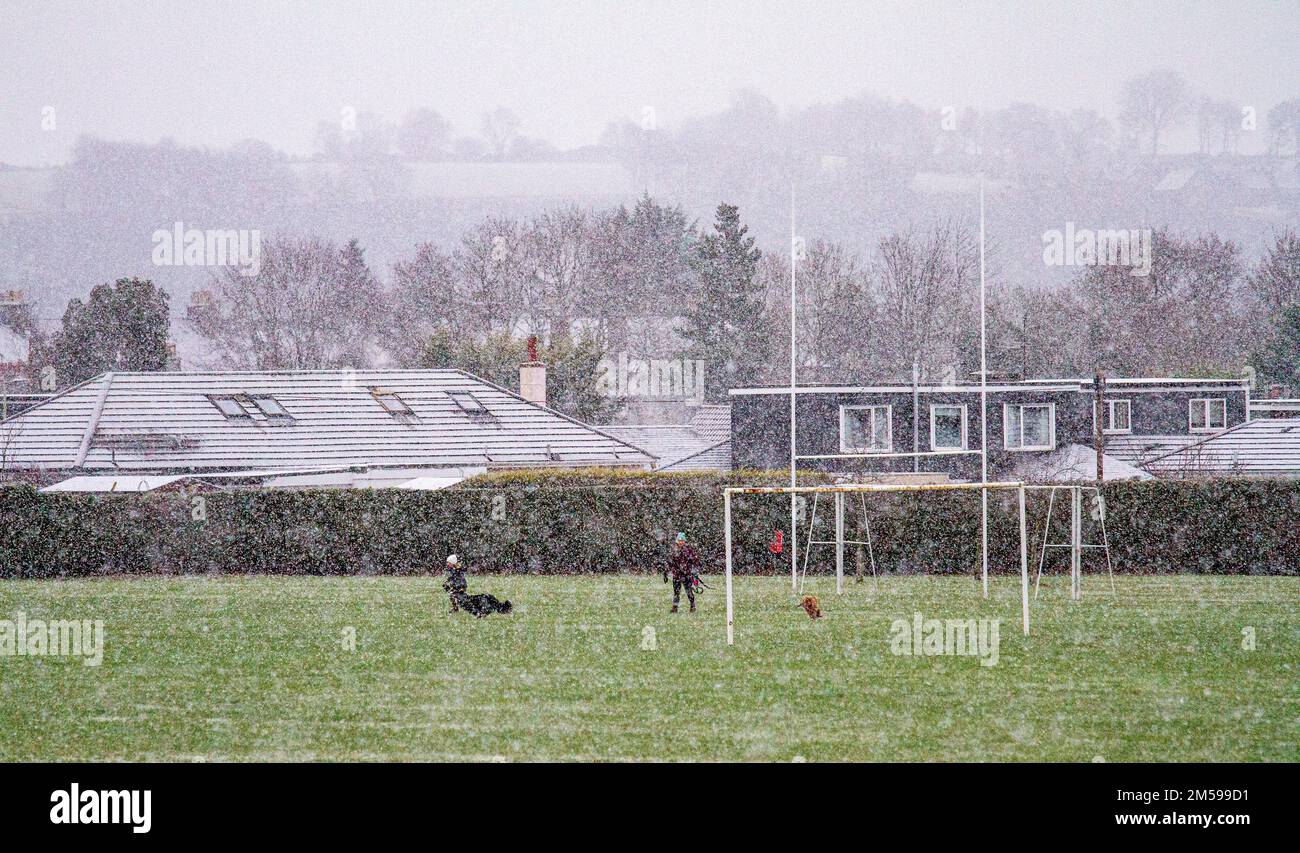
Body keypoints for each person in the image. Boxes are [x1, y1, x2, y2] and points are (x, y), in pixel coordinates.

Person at [663, 532, 702, 613]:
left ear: (684, 541)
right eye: (679, 540)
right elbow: (669, 562)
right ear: (677, 541)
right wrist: (665, 573)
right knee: (676, 592)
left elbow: (696, 560)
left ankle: (692, 606)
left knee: (689, 591)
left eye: (682, 540)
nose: (681, 542)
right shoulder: (673, 550)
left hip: (686, 574)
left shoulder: (689, 550)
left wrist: (694, 570)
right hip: (677, 575)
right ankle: (675, 607)